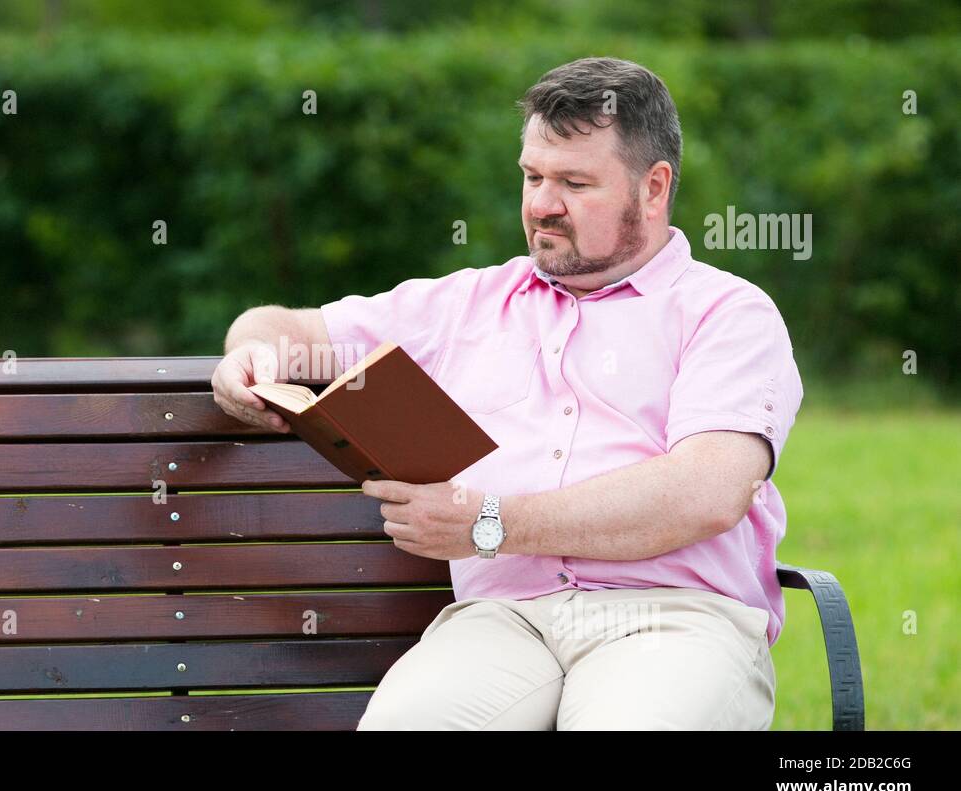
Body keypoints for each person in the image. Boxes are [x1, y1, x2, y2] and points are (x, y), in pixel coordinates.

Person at [212, 56, 802, 730]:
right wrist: (252, 352)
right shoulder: (465, 304)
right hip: (503, 622)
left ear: (653, 187)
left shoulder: (726, 313)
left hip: (672, 615)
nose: (542, 203)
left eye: (575, 182)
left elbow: (706, 491)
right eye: (532, 176)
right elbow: (288, 327)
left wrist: (490, 523)